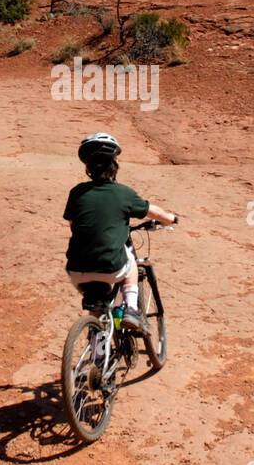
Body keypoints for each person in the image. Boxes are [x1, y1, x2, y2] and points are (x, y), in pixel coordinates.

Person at [64, 133, 177, 331]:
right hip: (110, 268)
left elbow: (73, 224)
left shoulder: (77, 192)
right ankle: (132, 310)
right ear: (113, 167)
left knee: (98, 308)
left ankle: (98, 354)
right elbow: (152, 211)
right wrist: (170, 218)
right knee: (130, 260)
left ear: (87, 168)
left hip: (75, 270)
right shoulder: (124, 193)